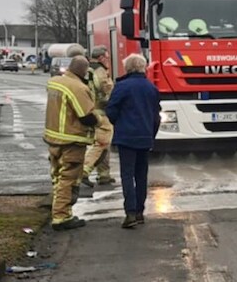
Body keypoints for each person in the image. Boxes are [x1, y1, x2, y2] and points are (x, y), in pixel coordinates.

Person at [104, 53, 161, 229]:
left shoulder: (122, 86)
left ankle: (129, 213)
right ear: (143, 67)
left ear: (127, 68)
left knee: (127, 175)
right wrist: (151, 134)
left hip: (127, 137)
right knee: (141, 175)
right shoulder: (151, 88)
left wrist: (118, 124)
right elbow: (156, 116)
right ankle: (139, 212)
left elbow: (111, 110)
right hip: (145, 137)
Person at [43, 55, 98, 231]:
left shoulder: (55, 81)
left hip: (53, 137)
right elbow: (87, 116)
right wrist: (100, 121)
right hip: (71, 139)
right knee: (69, 178)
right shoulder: (78, 88)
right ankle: (61, 217)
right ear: (83, 71)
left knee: (58, 176)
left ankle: (58, 210)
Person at [81, 46, 116, 187]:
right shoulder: (100, 71)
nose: (107, 60)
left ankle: (104, 175)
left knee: (105, 144)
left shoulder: (86, 69)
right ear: (101, 57)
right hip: (100, 112)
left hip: (88, 110)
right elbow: (106, 90)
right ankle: (84, 171)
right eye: (106, 57)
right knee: (101, 142)